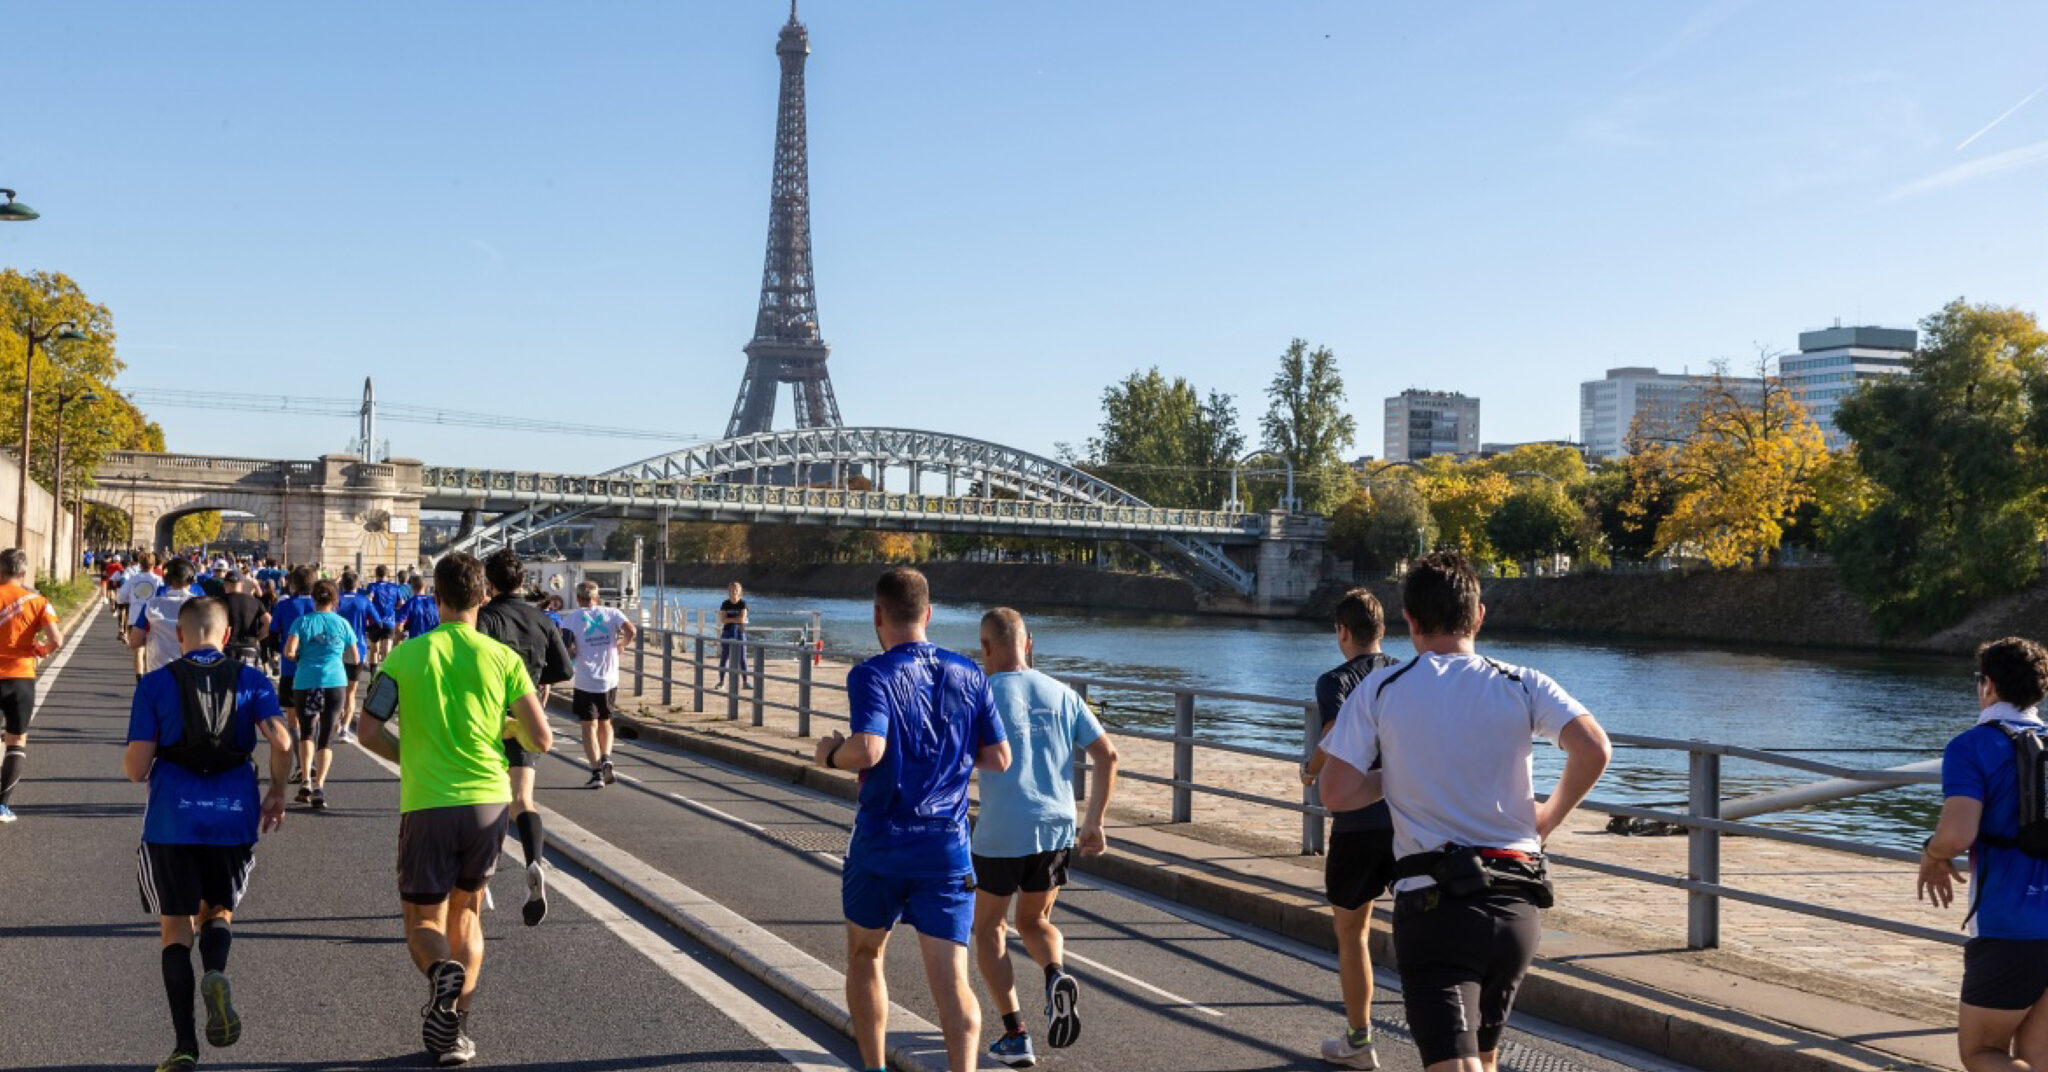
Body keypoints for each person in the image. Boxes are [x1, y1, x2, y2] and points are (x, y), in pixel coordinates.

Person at [1319, 552, 1611, 1072]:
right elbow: (1593, 748)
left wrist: (1394, 777)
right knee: (1483, 1058)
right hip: (1517, 904)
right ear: (1479, 616)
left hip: (1437, 908)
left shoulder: (1381, 688)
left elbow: (1336, 793)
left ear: (1409, 620)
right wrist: (1546, 820)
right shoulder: (1522, 682)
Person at [814, 567, 1010, 1072]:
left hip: (882, 841)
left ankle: (876, 1068)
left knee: (866, 955)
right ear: (929, 614)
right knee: (953, 981)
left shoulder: (872, 674)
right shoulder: (969, 672)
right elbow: (1000, 758)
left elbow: (870, 749)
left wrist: (831, 754)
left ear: (878, 614)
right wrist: (953, 756)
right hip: (946, 845)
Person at [359, 553, 551, 1066]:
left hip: (428, 801)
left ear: (436, 598)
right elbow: (542, 737)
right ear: (482, 598)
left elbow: (367, 729)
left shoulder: (404, 657)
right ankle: (457, 1031)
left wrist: (412, 756)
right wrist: (507, 729)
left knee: (424, 920)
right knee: (467, 911)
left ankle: (439, 977)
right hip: (490, 800)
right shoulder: (504, 658)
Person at [124, 597, 291, 1072]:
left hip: (171, 819)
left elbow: (137, 769)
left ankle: (184, 1047)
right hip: (232, 815)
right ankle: (215, 970)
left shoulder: (156, 683)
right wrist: (277, 791)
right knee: (218, 909)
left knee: (175, 927)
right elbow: (281, 740)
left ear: (180, 635)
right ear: (224, 635)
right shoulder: (252, 679)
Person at [970, 607, 1117, 1067]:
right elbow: (1108, 755)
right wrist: (1094, 820)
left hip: (999, 829)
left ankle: (1016, 1033)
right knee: (1034, 922)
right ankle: (1055, 976)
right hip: (1055, 826)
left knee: (989, 927)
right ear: (1029, 642)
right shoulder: (1062, 693)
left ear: (986, 648)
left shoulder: (981, 693)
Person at [1917, 637, 2048, 1072]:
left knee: (1982, 1053)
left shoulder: (1971, 746)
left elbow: (1956, 834)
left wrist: (1932, 854)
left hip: (2009, 927)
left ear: (1987, 685)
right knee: (2038, 1058)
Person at [1300, 588, 1402, 1068]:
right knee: (1424, 932)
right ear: (1382, 631)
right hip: (1411, 819)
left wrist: (1312, 767)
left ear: (1342, 632)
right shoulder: (1408, 672)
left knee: (1353, 933)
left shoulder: (1333, 681)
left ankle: (1360, 1041)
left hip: (1358, 824)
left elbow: (1334, 734)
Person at [474, 548, 574, 925]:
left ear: (491, 583)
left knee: (483, 801)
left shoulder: (484, 618)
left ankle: (481, 880)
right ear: (522, 581)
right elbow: (563, 670)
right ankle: (533, 860)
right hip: (523, 714)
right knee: (521, 800)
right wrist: (532, 681)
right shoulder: (542, 618)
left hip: (485, 717)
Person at [0, 548, 65, 823]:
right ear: (23, 573)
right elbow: (57, 640)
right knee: (17, 739)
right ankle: (2, 806)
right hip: (21, 678)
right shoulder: (38, 600)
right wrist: (41, 650)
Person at [282, 579, 358, 810]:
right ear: (335, 600)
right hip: (334, 682)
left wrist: (302, 659)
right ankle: (319, 786)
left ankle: (305, 778)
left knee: (307, 731)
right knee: (326, 735)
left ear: (314, 599)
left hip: (306, 681)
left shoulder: (302, 621)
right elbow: (354, 657)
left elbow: (289, 651)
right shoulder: (343, 623)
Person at [560, 580, 634, 788]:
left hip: (586, 680)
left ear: (577, 598)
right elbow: (631, 630)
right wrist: (621, 644)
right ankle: (607, 757)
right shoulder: (612, 614)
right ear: (597, 597)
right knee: (606, 721)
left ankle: (596, 773)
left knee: (588, 727)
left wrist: (571, 656)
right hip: (609, 679)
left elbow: (566, 647)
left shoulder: (572, 618)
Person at [268, 567, 316, 761]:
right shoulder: (321, 606)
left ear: (293, 583)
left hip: (290, 668)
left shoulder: (284, 605)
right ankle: (311, 760)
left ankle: (300, 763)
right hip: (316, 668)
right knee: (313, 718)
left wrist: (273, 654)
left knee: (293, 719)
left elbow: (273, 633)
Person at [333, 572, 386, 743]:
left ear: (343, 585)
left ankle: (335, 718)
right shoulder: (363, 601)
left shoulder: (336, 601)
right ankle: (344, 729)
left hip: (335, 648)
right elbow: (377, 624)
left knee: (335, 687)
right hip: (357, 647)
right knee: (351, 691)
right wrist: (372, 637)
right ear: (357, 585)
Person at [131, 560, 202, 679]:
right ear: (192, 579)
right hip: (191, 672)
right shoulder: (200, 605)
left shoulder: (151, 605)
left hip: (159, 671)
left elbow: (135, 641)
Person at [219, 572, 270, 670]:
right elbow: (268, 621)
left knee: (226, 683)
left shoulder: (219, 602)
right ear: (242, 585)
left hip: (226, 649)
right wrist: (258, 638)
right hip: (249, 648)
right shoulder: (254, 601)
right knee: (247, 683)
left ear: (225, 584)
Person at [125, 553, 165, 676]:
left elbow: (121, 597)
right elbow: (163, 597)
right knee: (150, 651)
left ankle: (139, 678)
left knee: (138, 650)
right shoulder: (158, 580)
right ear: (154, 564)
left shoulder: (133, 579)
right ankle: (148, 677)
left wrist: (131, 599)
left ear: (140, 565)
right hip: (152, 618)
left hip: (134, 618)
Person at [365, 564, 408, 666]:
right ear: (387, 575)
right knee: (387, 651)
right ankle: (385, 675)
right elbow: (401, 602)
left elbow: (369, 599)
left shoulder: (372, 586)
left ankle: (373, 677)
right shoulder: (395, 587)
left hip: (375, 621)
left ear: (376, 574)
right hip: (389, 621)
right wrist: (394, 608)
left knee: (374, 650)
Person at [715, 581, 750, 690]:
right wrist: (735, 620)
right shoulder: (725, 603)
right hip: (727, 631)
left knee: (742, 658)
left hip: (740, 631)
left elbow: (742, 619)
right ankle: (721, 682)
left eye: (736, 589)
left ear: (739, 591)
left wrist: (731, 620)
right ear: (729, 591)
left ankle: (745, 682)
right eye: (731, 589)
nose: (733, 591)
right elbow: (722, 619)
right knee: (724, 657)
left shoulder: (743, 603)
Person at [395, 573, 440, 642]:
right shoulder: (435, 602)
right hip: (433, 642)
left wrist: (401, 638)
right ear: (425, 587)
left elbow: (398, 626)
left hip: (416, 643)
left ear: (412, 587)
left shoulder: (410, 604)